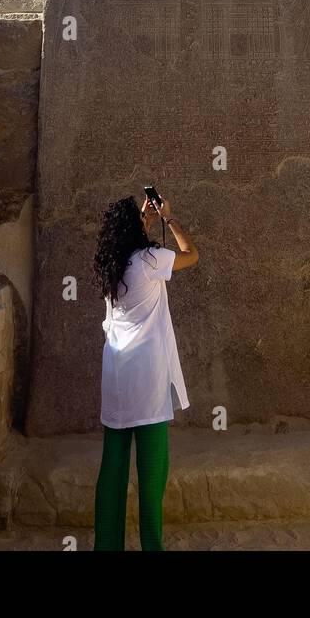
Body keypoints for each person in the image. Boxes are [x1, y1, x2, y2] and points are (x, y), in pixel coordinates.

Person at [92, 192, 198, 551]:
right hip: (147, 375)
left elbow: (130, 242)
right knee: (153, 472)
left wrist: (143, 221)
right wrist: (169, 219)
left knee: (113, 468)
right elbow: (192, 255)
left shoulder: (113, 264)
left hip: (116, 373)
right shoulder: (150, 260)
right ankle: (153, 546)